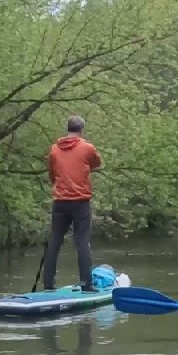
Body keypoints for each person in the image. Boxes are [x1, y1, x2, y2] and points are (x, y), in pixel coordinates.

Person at [44, 114, 103, 290]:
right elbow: (96, 163)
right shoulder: (87, 148)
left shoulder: (54, 149)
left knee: (55, 240)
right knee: (82, 241)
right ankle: (86, 284)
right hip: (80, 201)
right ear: (81, 130)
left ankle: (48, 284)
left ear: (68, 129)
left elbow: (52, 174)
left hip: (60, 201)